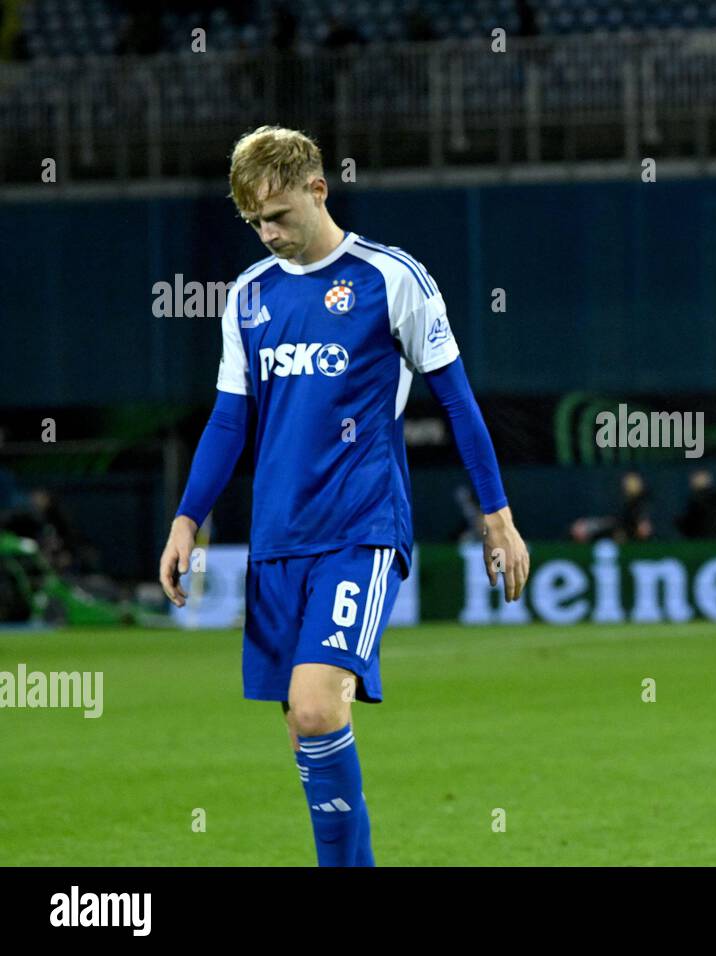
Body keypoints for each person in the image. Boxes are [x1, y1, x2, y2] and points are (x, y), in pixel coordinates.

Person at [158, 126, 529, 866]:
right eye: (254, 223)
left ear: (317, 189)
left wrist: (499, 518)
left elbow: (457, 402)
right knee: (304, 724)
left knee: (319, 704)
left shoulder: (390, 279)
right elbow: (231, 419)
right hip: (278, 540)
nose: (268, 235)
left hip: (361, 528)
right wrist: (186, 520)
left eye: (279, 217)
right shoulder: (249, 299)